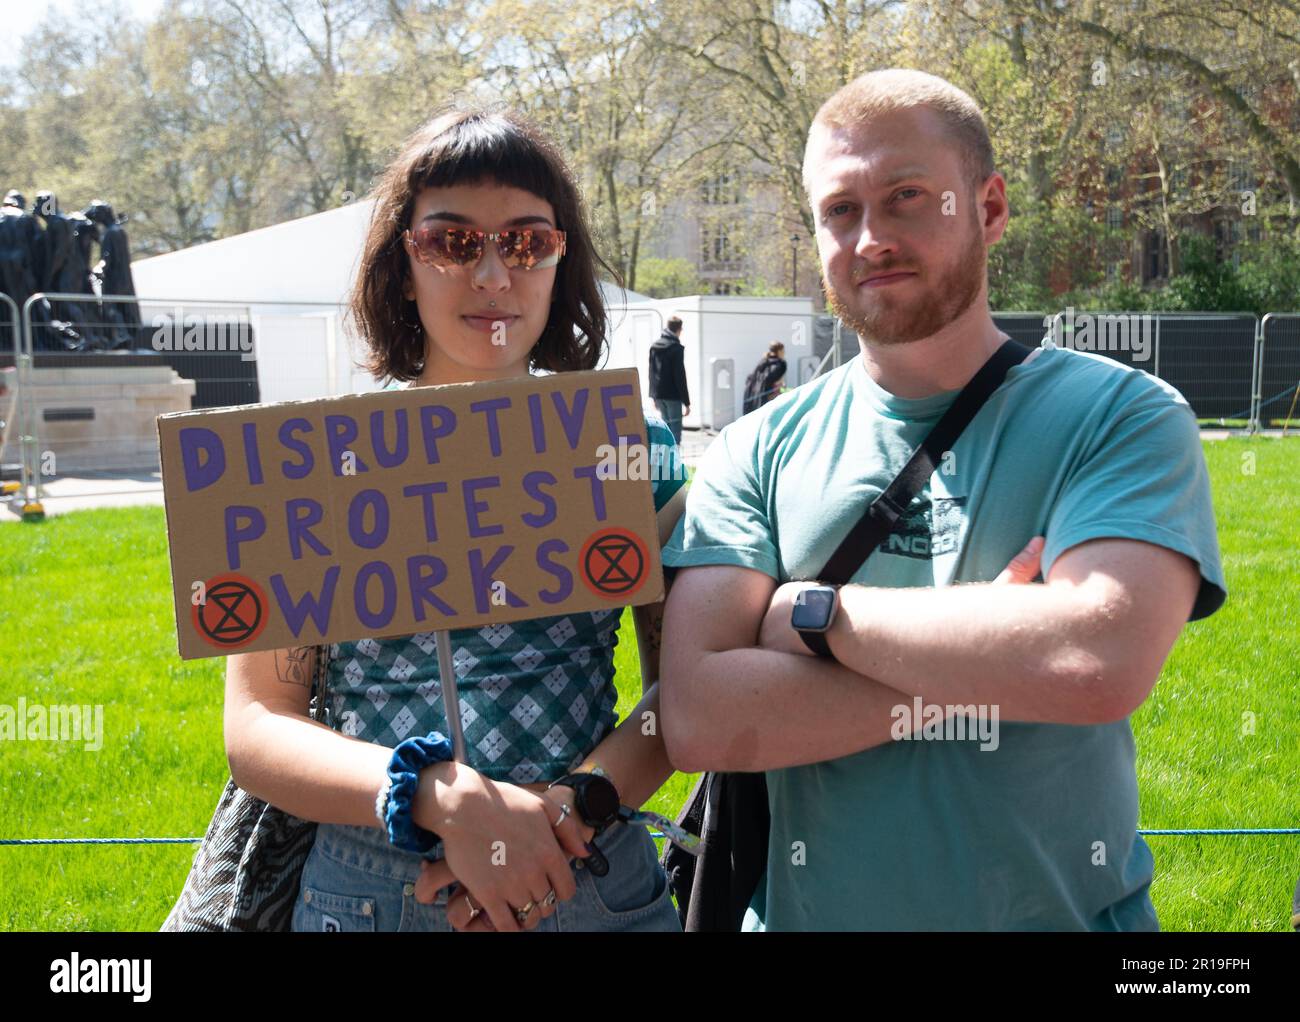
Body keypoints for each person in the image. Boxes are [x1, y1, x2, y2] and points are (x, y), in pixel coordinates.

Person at [659, 68, 1226, 931]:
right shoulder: (755, 448)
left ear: (989, 208)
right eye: (840, 211)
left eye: (907, 196)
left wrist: (812, 619)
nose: (870, 237)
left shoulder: (1123, 415)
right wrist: (994, 661)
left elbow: (1095, 662)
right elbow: (699, 716)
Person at [223, 107, 686, 933]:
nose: (493, 276)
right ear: (402, 263)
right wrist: (439, 796)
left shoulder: (626, 449)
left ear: (559, 259)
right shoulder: (311, 460)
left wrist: (562, 814)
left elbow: (681, 693)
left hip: (588, 872)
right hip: (371, 891)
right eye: (452, 242)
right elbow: (259, 726)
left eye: (526, 242)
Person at [648, 315, 690, 441]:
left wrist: (653, 395)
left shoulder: (654, 346)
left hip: (659, 394)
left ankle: (666, 456)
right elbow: (680, 376)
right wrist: (686, 402)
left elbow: (651, 371)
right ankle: (675, 456)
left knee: (665, 427)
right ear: (679, 329)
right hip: (673, 395)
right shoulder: (676, 349)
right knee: (675, 428)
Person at [742, 342, 787, 413]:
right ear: (779, 351)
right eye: (783, 351)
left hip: (753, 402)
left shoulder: (763, 362)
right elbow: (774, 385)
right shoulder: (780, 364)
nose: (784, 353)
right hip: (768, 402)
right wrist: (785, 389)